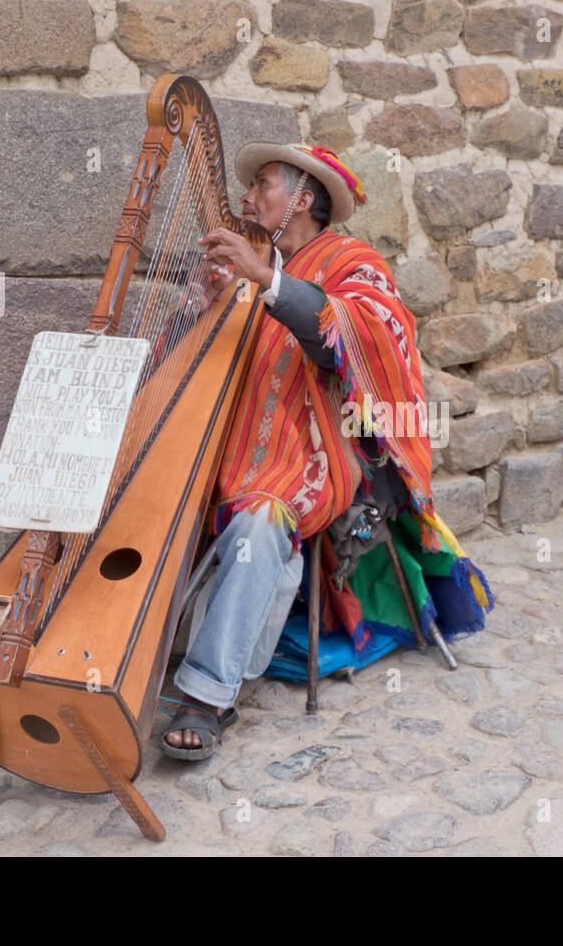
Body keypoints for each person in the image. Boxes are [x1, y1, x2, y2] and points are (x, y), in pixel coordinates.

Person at [161, 142, 492, 761]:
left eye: (263, 185)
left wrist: (270, 283)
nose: (247, 197)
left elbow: (364, 332)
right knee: (152, 489)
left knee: (261, 520)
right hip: (221, 448)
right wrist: (201, 306)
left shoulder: (351, 261)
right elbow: (176, 358)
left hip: (308, 453)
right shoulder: (246, 263)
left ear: (302, 201)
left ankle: (206, 696)